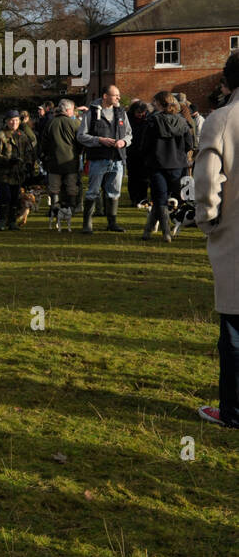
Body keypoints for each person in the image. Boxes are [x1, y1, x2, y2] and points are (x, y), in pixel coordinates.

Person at [195, 53, 239, 428]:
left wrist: (208, 219)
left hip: (235, 236)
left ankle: (234, 412)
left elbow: (207, 181)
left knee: (236, 328)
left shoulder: (222, 119)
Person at [77, 84, 131, 233]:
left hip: (117, 159)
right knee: (93, 191)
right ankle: (87, 224)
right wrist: (99, 140)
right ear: (105, 96)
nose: (119, 98)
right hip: (98, 159)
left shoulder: (121, 112)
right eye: (116, 95)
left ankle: (112, 223)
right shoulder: (92, 113)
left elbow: (129, 133)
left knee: (114, 191)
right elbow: (81, 136)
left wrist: (124, 141)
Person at [141, 91, 192, 242]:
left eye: (155, 102)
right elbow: (189, 144)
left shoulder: (152, 121)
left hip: (157, 163)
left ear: (159, 103)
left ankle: (165, 232)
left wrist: (146, 157)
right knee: (162, 198)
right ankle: (149, 231)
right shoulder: (182, 121)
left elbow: (145, 144)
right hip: (177, 164)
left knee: (160, 198)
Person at [0, 110, 34, 230]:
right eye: (11, 120)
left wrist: (29, 165)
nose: (14, 123)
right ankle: (2, 221)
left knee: (15, 197)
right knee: (5, 196)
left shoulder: (22, 136)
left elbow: (29, 152)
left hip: (18, 174)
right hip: (3, 173)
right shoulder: (1, 135)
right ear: (7, 121)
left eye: (16, 120)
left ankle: (12, 221)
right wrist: (8, 160)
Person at [40, 98, 81, 222]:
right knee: (71, 186)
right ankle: (71, 208)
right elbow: (81, 142)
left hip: (54, 162)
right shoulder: (75, 124)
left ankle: (55, 208)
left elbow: (44, 143)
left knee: (54, 187)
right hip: (71, 161)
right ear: (68, 110)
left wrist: (47, 155)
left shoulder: (50, 123)